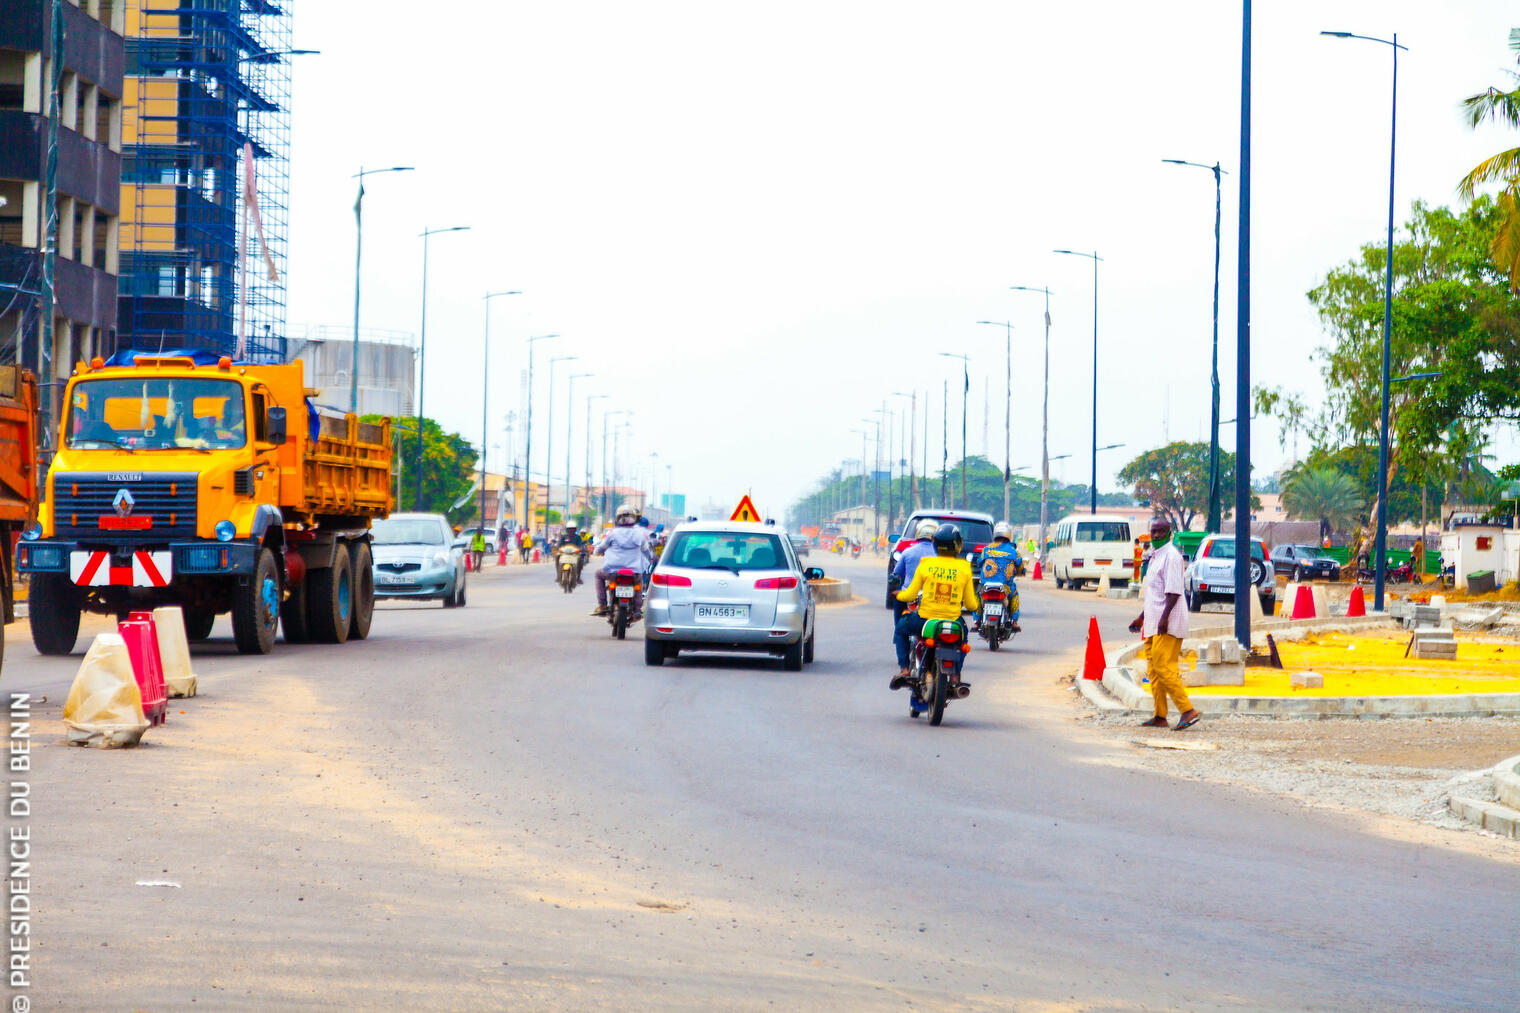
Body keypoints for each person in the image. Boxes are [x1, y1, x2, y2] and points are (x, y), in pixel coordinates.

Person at [1128, 517, 1200, 730]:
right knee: (1154, 670)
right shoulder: (1155, 556)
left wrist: (1164, 618)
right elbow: (1156, 593)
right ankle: (1160, 715)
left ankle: (1187, 710)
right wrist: (1142, 617)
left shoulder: (1172, 556)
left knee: (1163, 666)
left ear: (1170, 534)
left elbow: (1174, 591)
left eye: (1161, 531)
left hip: (1167, 622)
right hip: (1153, 622)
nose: (1157, 535)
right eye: (1154, 531)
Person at [890, 524, 979, 691]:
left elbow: (910, 595)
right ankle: (955, 676)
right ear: (957, 545)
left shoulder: (926, 564)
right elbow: (970, 604)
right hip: (953, 621)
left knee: (901, 629)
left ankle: (905, 669)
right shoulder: (964, 568)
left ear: (935, 544)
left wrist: (898, 595)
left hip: (924, 620)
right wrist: (977, 605)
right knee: (962, 640)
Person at [590, 503, 654, 619]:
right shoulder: (639, 534)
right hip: (634, 572)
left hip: (612, 571)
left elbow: (600, 548)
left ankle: (602, 605)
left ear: (617, 518)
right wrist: (650, 558)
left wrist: (596, 552)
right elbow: (647, 551)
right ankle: (637, 609)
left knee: (598, 575)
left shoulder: (612, 534)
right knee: (638, 581)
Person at [890, 519, 939, 621]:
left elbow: (897, 573)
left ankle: (898, 627)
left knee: (898, 612)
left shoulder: (908, 552)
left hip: (909, 594)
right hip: (932, 596)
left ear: (918, 534)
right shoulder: (939, 555)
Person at [978, 522, 1023, 633]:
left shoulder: (986, 549)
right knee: (1014, 595)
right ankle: (1014, 621)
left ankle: (976, 620)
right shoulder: (1013, 551)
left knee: (977, 596)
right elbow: (1020, 566)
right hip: (1005, 586)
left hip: (986, 585)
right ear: (1008, 535)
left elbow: (979, 562)